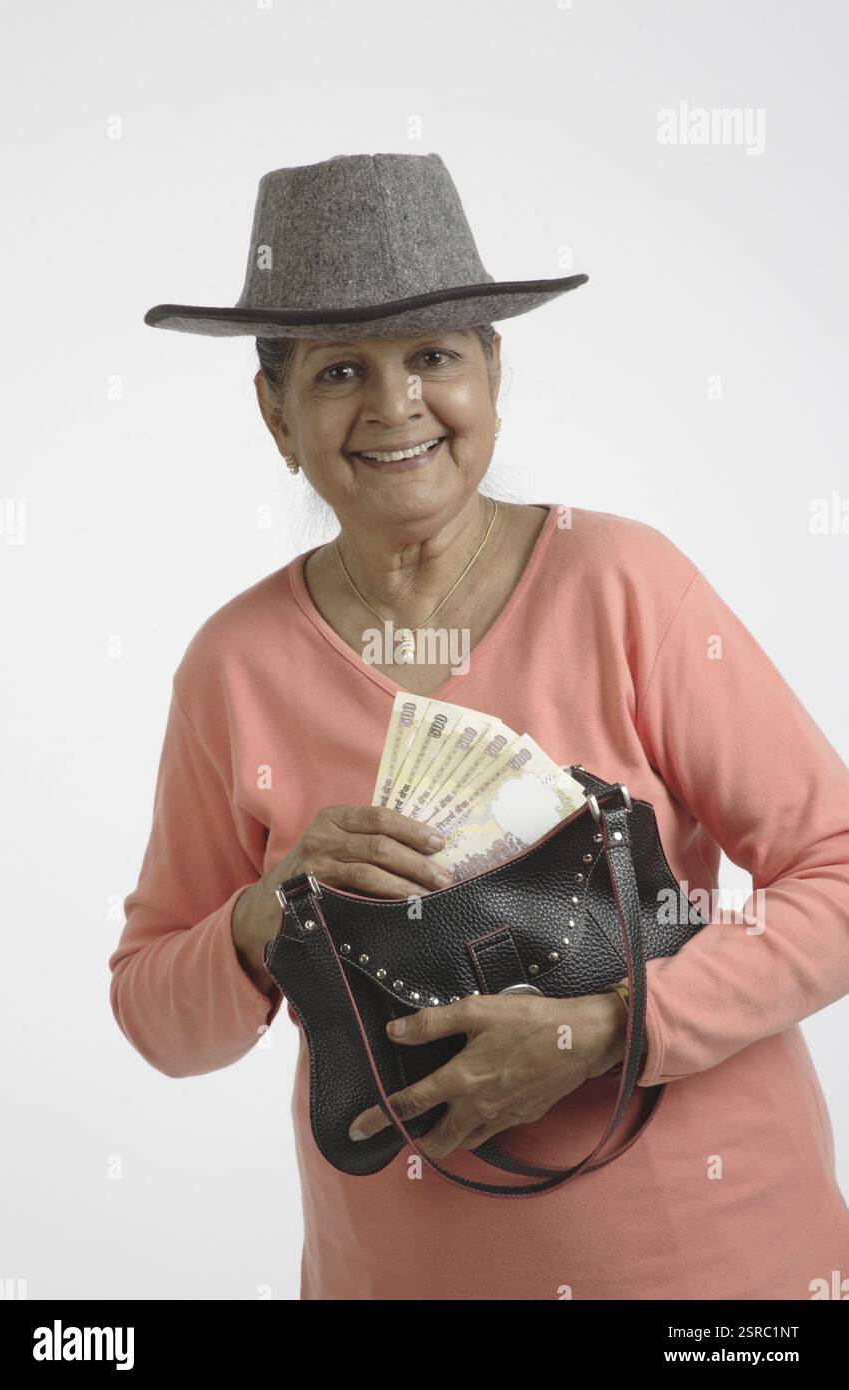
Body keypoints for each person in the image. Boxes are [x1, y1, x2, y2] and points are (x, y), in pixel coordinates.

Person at [110, 152, 849, 1300]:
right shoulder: (232, 666)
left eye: (434, 357)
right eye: (340, 369)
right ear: (274, 411)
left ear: (493, 373)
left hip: (720, 1273)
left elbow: (837, 872)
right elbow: (161, 1020)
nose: (394, 404)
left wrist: (607, 1026)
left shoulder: (624, 585)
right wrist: (259, 920)